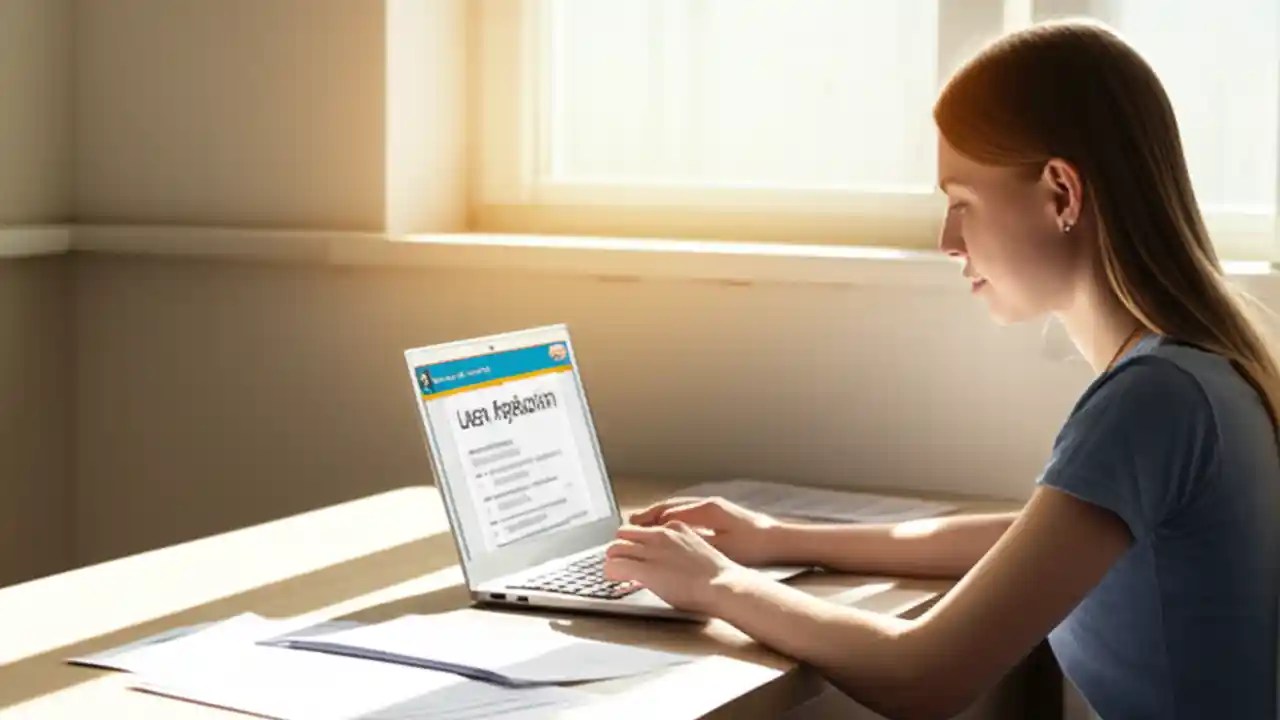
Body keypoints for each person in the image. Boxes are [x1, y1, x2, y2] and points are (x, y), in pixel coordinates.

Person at [603, 19, 1280, 720]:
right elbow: (1031, 541)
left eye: (962, 202)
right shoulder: (1195, 376)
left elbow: (923, 676)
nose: (947, 239)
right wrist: (781, 539)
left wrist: (716, 586)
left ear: (1061, 193)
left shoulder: (1153, 399)